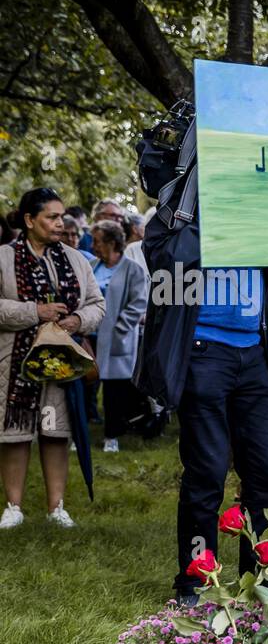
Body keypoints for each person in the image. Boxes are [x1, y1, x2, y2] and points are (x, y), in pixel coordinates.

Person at [136, 206, 268, 604]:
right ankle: (196, 581)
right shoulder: (180, 208)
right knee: (207, 473)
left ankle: (259, 580)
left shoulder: (260, 209)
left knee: (267, 474)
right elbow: (164, 263)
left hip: (254, 356)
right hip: (204, 353)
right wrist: (215, 216)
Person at [0, 188, 105, 530]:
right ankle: (13, 506)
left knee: (54, 431)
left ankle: (56, 507)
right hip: (14, 363)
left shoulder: (76, 259)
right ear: (29, 220)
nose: (60, 223)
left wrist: (77, 321)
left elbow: (97, 304)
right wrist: (34, 311)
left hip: (61, 365)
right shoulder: (3, 257)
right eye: (52, 217)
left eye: (62, 216)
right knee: (14, 434)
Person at [89, 220, 148, 453]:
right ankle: (79, 433)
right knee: (86, 387)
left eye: (97, 241)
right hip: (90, 336)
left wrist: (121, 328)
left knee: (114, 391)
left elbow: (138, 303)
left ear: (113, 243)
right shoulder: (92, 266)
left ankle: (112, 436)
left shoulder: (132, 269)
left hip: (117, 338)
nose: (94, 246)